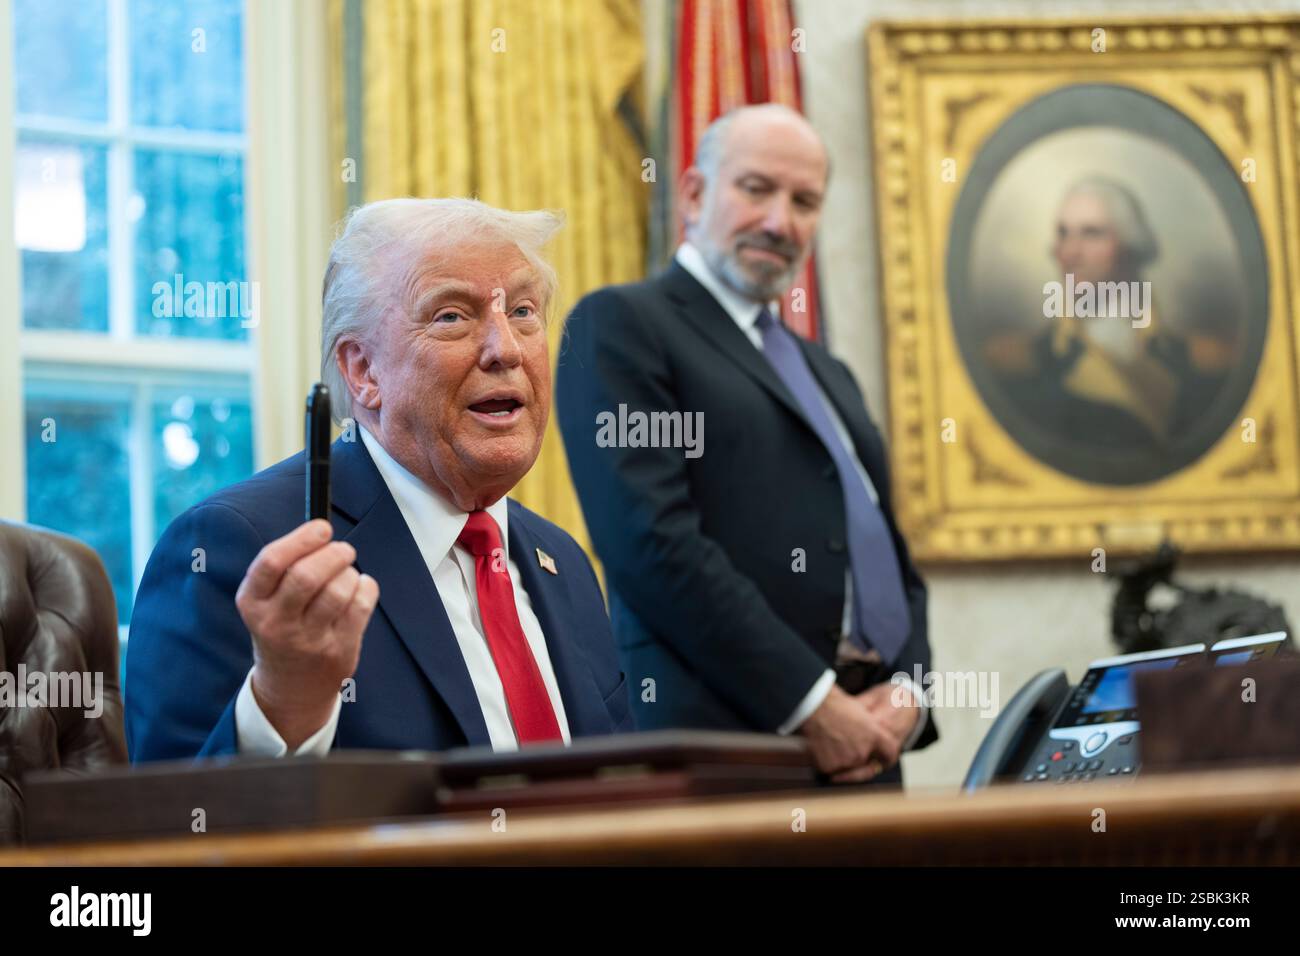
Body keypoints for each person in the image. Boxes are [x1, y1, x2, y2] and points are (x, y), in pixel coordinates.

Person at [126, 198, 632, 761]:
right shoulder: (238, 549)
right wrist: (283, 705)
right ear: (363, 371)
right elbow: (176, 830)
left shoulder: (563, 562)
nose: (505, 349)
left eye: (522, 311)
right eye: (451, 317)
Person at [556, 104, 937, 784]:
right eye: (756, 189)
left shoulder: (828, 371)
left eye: (805, 201)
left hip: (871, 748)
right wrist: (812, 703)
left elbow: (888, 552)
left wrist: (910, 690)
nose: (779, 222)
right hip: (727, 754)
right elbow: (652, 543)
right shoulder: (622, 326)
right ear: (695, 195)